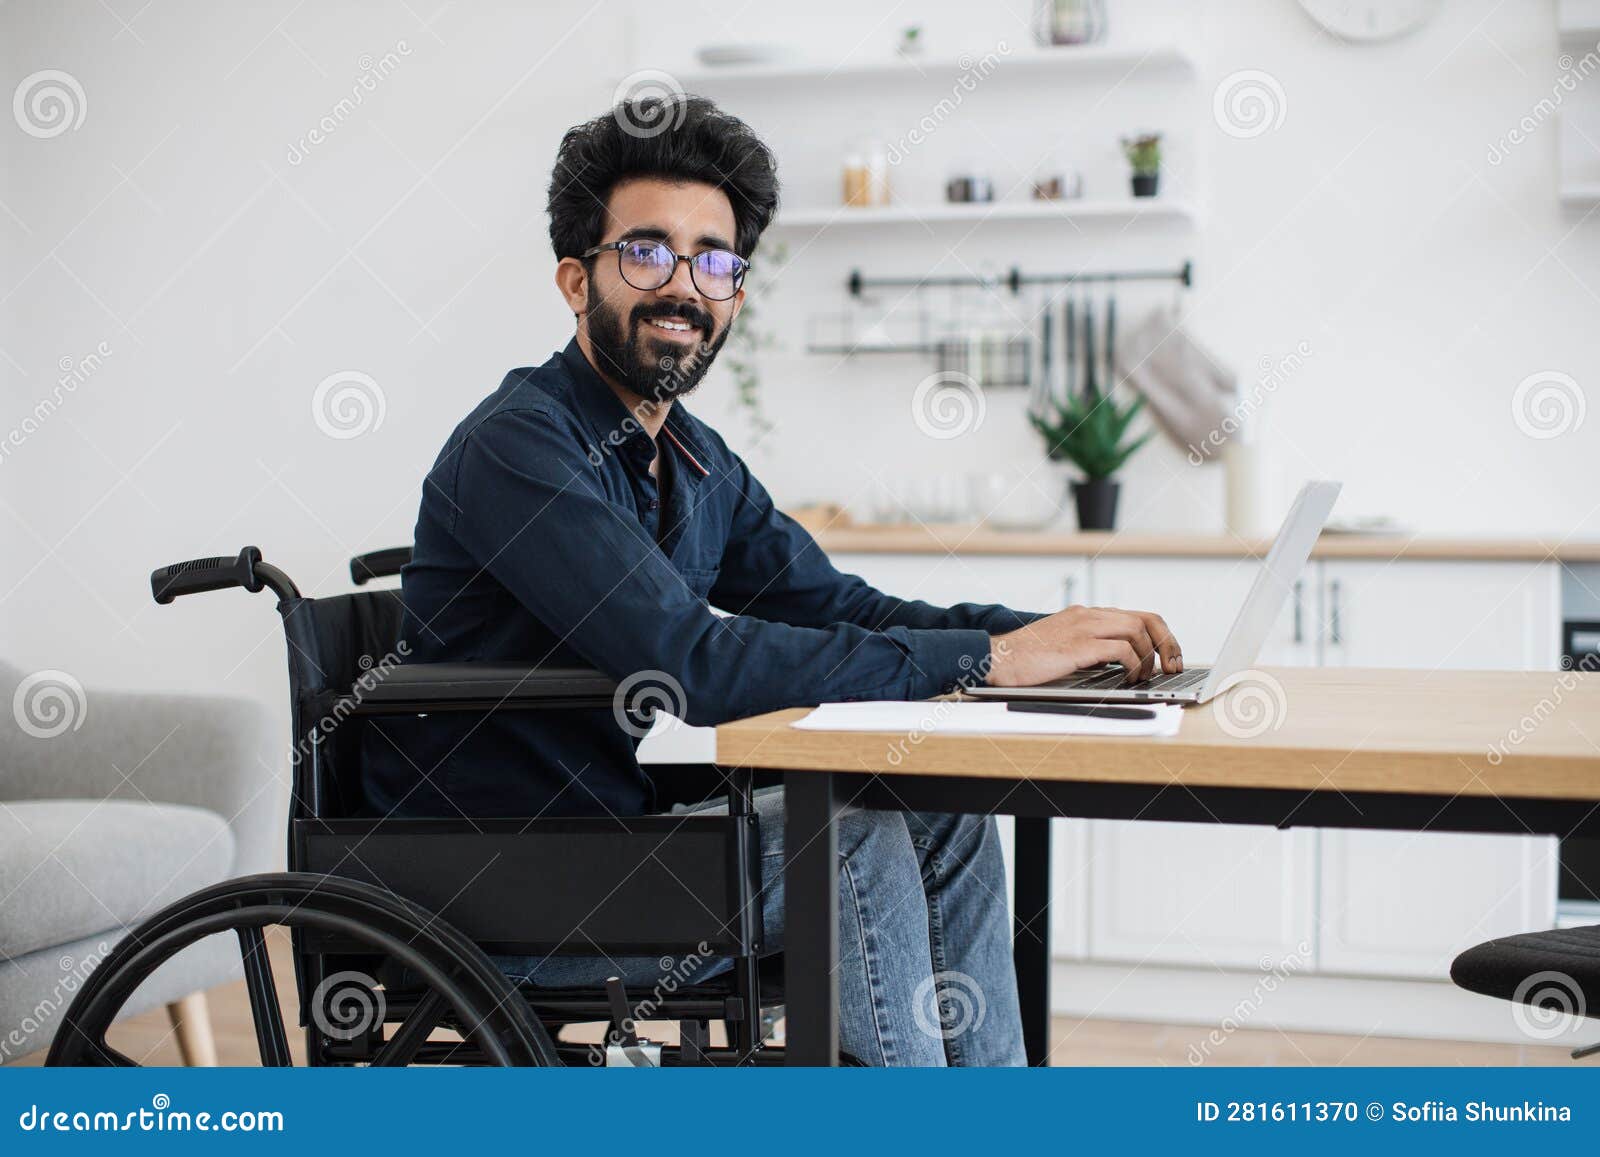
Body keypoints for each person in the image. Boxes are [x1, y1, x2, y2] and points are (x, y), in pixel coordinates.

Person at [364, 95, 1181, 1066]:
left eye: (714, 260)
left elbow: (844, 608)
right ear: (575, 280)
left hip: (623, 837)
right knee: (843, 835)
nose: (684, 284)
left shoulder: (697, 460)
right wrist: (991, 656)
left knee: (946, 809)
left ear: (736, 295)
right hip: (505, 872)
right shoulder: (520, 445)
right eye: (647, 251)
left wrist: (1054, 635)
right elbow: (691, 661)